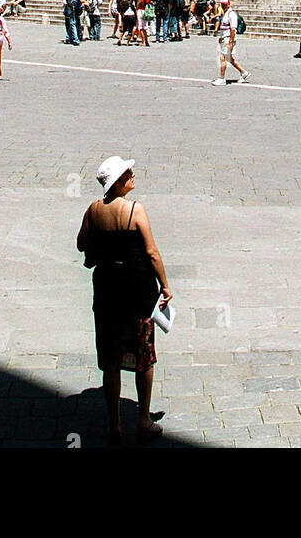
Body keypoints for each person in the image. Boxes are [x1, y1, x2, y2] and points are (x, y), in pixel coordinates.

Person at [77, 156, 172, 442]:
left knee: (111, 359)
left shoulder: (93, 211)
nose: (133, 174)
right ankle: (143, 420)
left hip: (107, 292)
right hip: (138, 292)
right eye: (127, 173)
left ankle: (114, 425)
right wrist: (165, 286)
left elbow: (81, 243)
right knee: (143, 357)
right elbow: (152, 253)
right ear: (118, 182)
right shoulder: (135, 210)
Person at [212, 0, 249, 85]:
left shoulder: (231, 14)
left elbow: (233, 29)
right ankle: (244, 72)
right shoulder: (225, 13)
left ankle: (222, 78)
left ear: (228, 5)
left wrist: (230, 42)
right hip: (225, 38)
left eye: (224, 4)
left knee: (223, 57)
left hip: (228, 38)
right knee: (230, 59)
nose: (223, 6)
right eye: (222, 4)